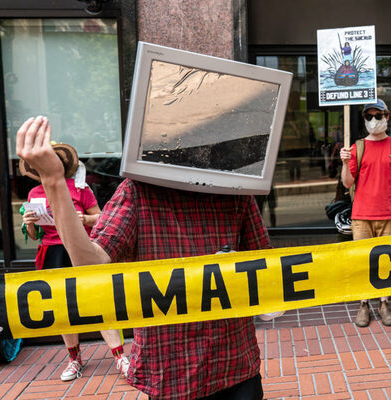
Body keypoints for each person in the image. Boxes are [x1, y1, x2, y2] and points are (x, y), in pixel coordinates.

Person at [16, 116, 268, 399]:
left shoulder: (235, 194)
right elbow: (90, 264)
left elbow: (270, 277)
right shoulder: (137, 193)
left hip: (235, 364)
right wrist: (53, 180)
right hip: (172, 371)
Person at [18, 141, 129, 381]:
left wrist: (84, 220)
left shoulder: (80, 188)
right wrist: (28, 222)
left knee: (98, 301)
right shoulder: (34, 193)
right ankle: (74, 359)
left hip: (79, 250)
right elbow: (33, 236)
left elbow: (101, 218)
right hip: (52, 254)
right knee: (61, 308)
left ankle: (120, 357)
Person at [340, 99, 391, 327]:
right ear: (363, 119)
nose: (373, 120)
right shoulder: (357, 147)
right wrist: (344, 163)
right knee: (363, 262)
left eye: (378, 116)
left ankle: (384, 303)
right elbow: (347, 183)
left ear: (387, 117)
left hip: (387, 216)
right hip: (361, 216)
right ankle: (363, 303)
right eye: (369, 116)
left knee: (386, 263)